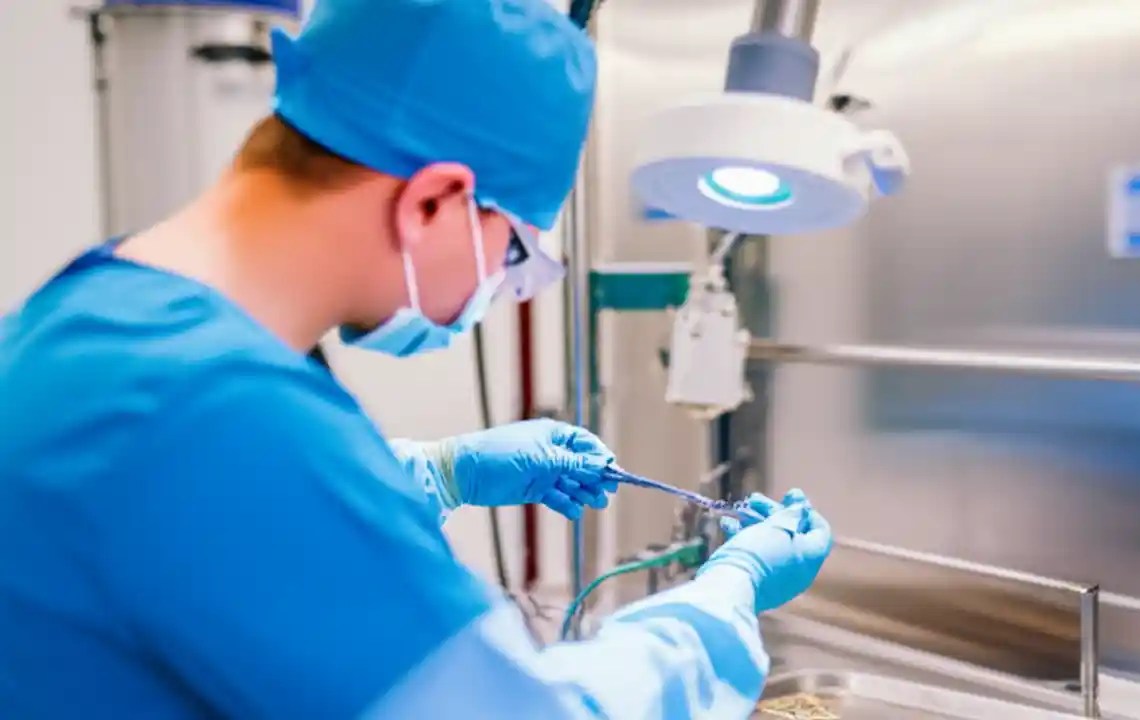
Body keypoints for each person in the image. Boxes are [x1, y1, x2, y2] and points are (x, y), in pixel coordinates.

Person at [0, 0, 834, 717]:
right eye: (515, 257)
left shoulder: (97, 318)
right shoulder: (212, 410)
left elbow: (222, 537)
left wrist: (441, 472)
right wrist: (725, 602)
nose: (507, 293)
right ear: (434, 200)